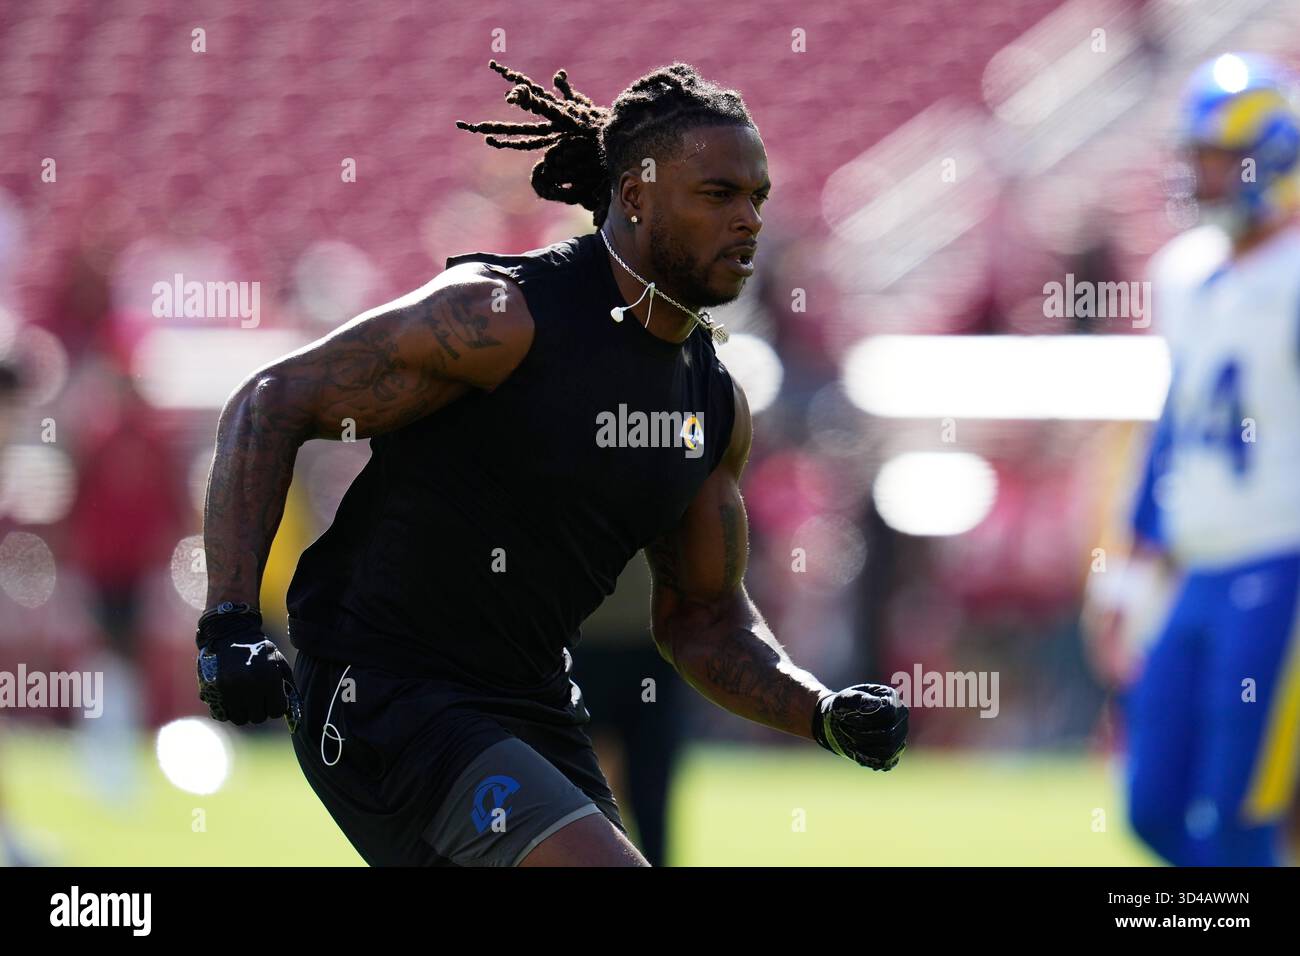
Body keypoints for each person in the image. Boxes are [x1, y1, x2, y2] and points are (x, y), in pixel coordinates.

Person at [195, 60, 907, 867]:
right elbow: (271, 399)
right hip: (385, 689)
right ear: (634, 196)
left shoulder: (713, 404)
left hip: (528, 706)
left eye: (757, 199)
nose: (748, 221)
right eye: (718, 195)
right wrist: (229, 623)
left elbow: (703, 619)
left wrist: (821, 710)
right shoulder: (498, 317)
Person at [1101, 53, 1300, 866]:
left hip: (1282, 569)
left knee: (1240, 820)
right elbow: (1172, 434)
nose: (1199, 177)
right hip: (1195, 572)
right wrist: (1131, 572)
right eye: (1194, 159)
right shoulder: (1184, 274)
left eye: (1214, 159)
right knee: (1152, 810)